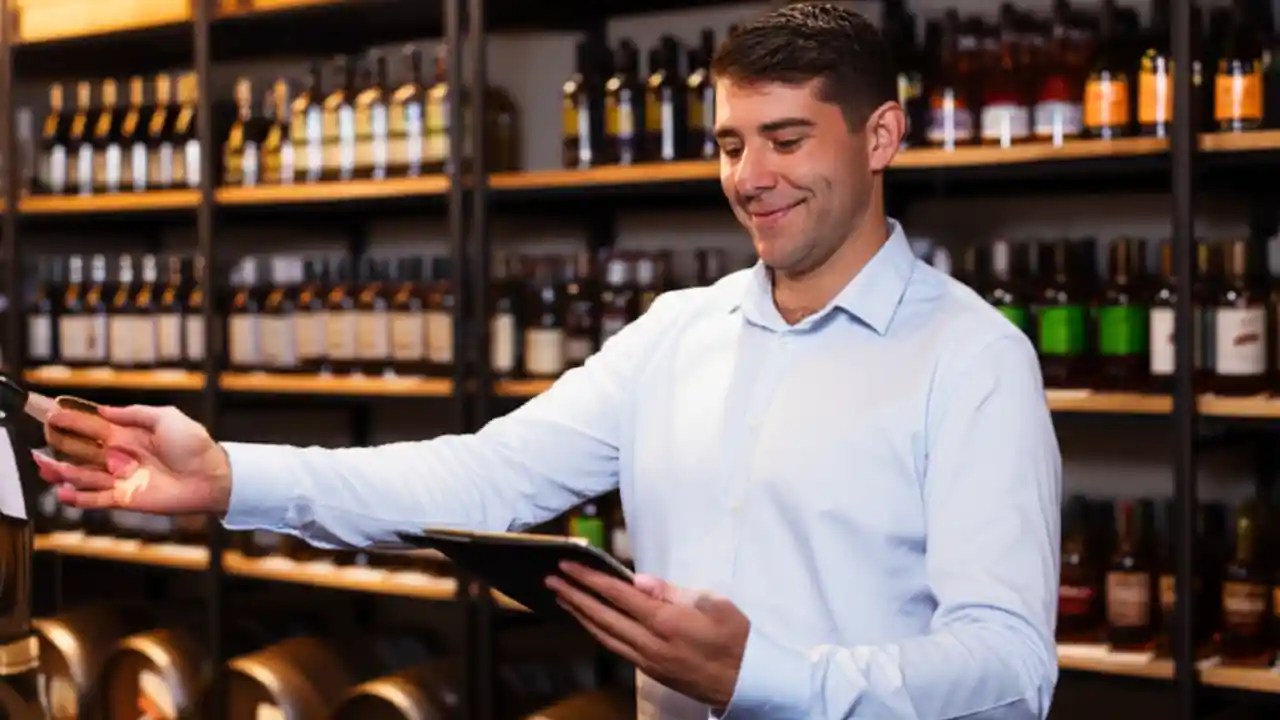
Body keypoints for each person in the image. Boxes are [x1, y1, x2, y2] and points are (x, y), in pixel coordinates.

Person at [34, 4, 1062, 718]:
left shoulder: (971, 360)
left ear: (879, 135)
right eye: (727, 143)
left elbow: (1010, 671)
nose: (750, 178)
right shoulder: (676, 333)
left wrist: (771, 674)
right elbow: (480, 475)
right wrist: (228, 475)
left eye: (786, 140)